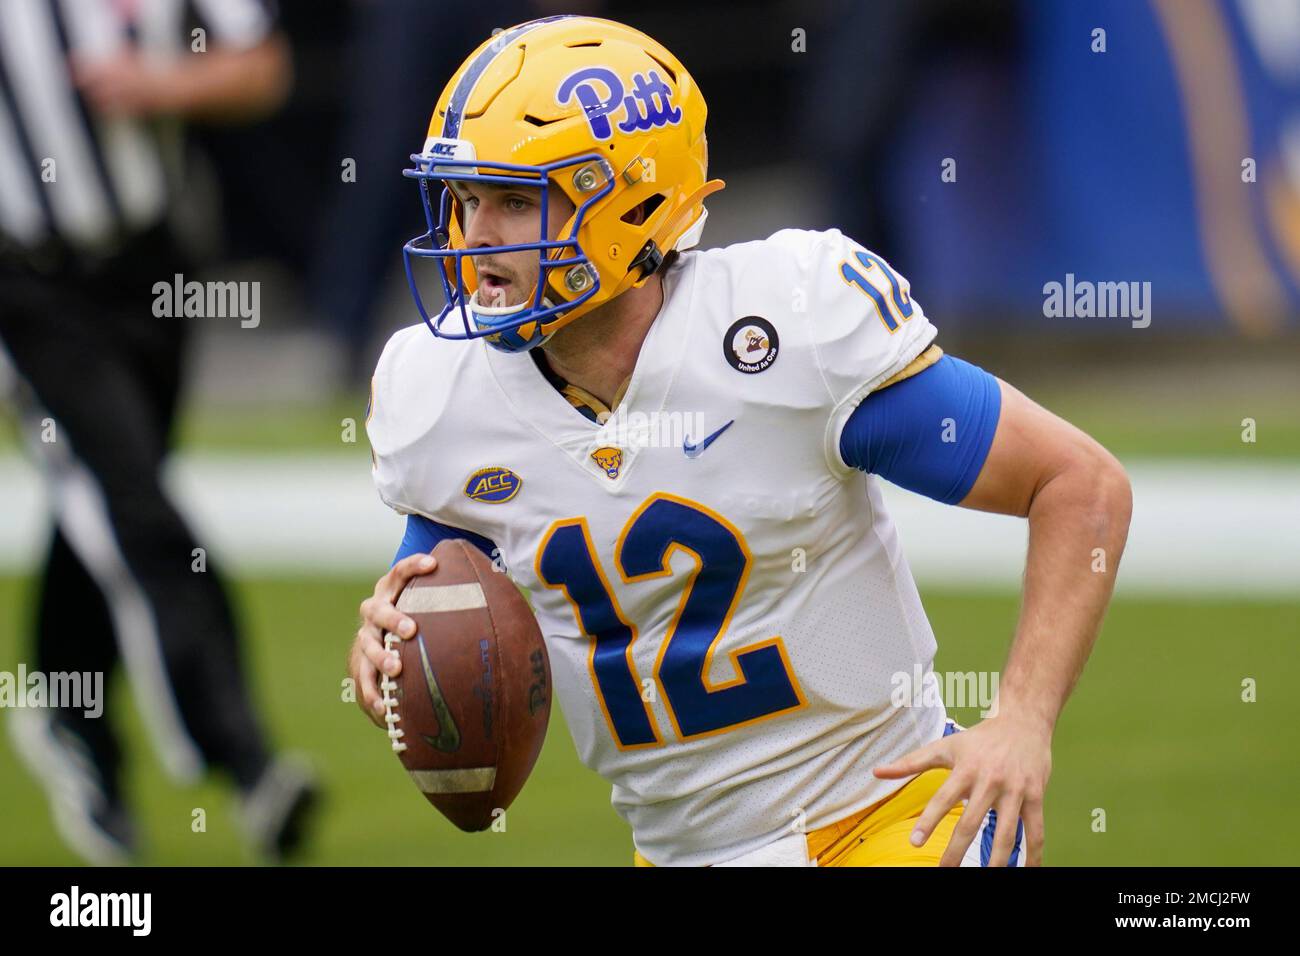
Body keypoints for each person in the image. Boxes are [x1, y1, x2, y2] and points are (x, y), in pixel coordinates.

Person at [350, 15, 1132, 867]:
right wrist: (393, 644)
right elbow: (437, 591)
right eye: (464, 202)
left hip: (888, 824)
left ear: (631, 200)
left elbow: (1079, 484)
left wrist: (1021, 719)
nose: (475, 241)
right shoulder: (443, 392)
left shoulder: (782, 327)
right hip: (677, 854)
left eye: (512, 200)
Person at [0, 0, 316, 864]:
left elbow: (262, 67)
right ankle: (244, 756)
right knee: (137, 507)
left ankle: (70, 715)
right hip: (28, 286)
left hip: (151, 264)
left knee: (109, 500)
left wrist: (162, 85)